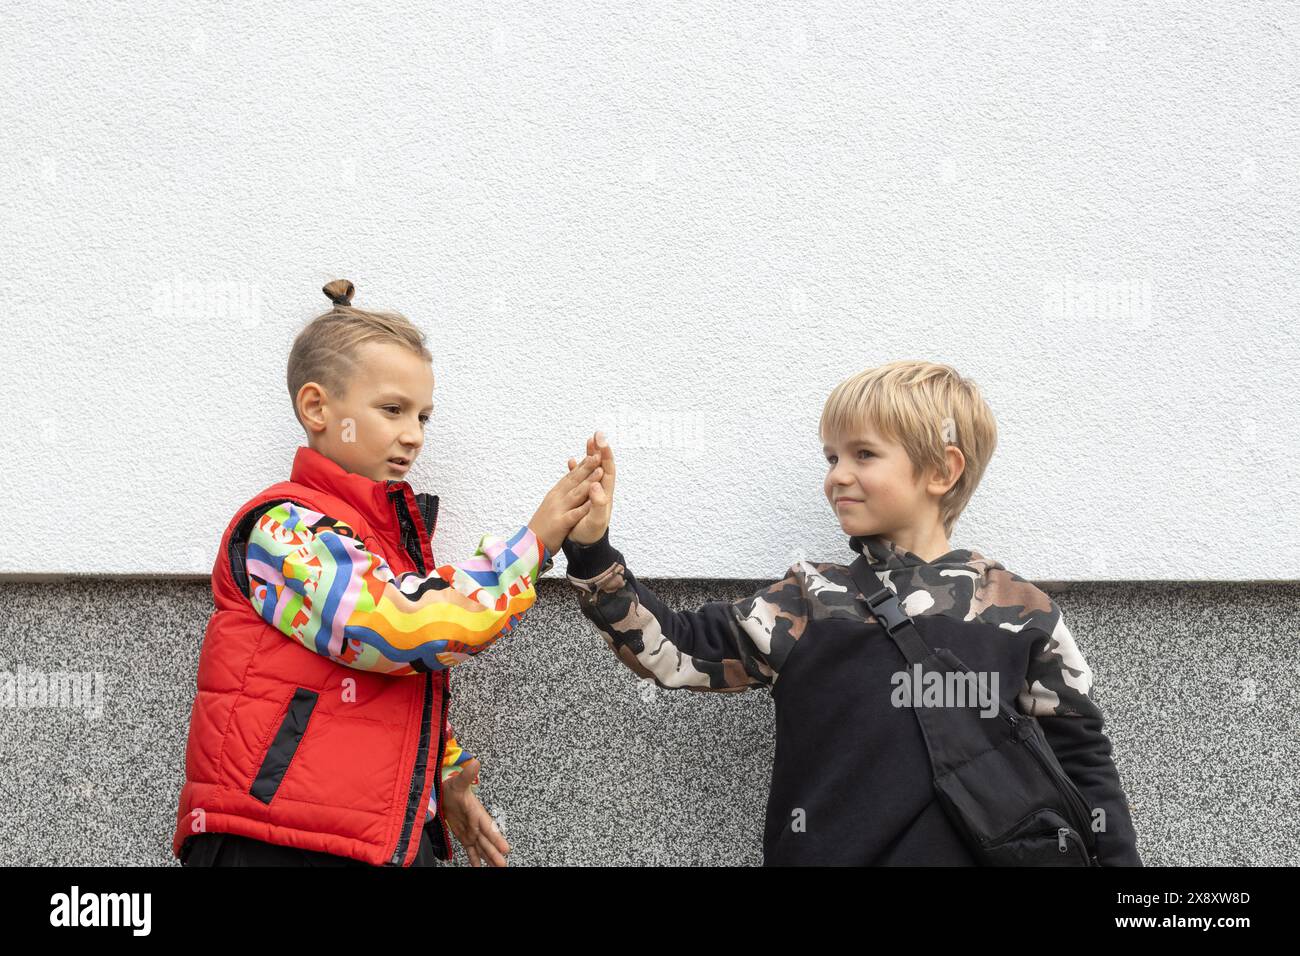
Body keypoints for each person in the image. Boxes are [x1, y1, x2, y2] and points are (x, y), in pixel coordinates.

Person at [562, 360, 1142, 865]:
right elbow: (677, 650)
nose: (837, 475)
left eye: (863, 454)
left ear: (942, 470)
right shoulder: (808, 598)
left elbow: (1081, 760)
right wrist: (593, 552)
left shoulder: (1023, 613)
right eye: (832, 456)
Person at [173, 279, 604, 866]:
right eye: (393, 410)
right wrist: (533, 545)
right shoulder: (283, 528)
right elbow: (403, 632)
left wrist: (438, 779)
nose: (414, 434)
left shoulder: (376, 539)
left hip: (366, 837)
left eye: (424, 415)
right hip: (278, 842)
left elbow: (378, 689)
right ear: (317, 407)